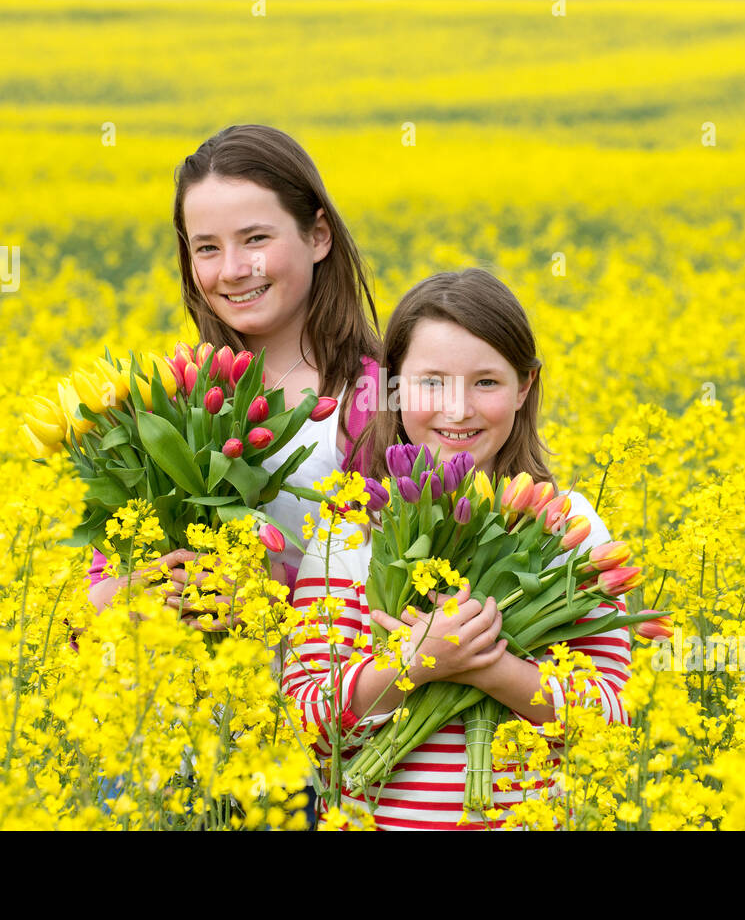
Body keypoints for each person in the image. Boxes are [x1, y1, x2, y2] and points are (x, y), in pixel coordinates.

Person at [285, 267, 634, 830]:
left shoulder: (568, 527)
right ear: (392, 387)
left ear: (526, 386)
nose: (458, 409)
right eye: (431, 382)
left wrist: (493, 669)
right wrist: (412, 663)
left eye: (486, 382)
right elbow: (306, 719)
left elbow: (611, 719)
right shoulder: (350, 534)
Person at [84, 124, 382, 617]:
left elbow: (399, 589)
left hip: (321, 689)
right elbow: (98, 577)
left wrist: (266, 601)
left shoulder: (374, 400)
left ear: (319, 236)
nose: (233, 269)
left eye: (256, 238)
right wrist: (123, 597)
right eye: (207, 248)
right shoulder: (168, 400)